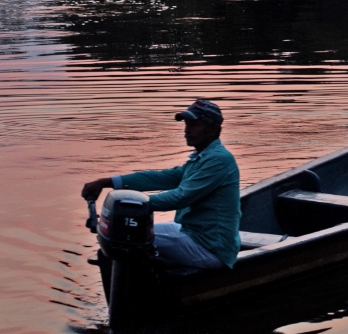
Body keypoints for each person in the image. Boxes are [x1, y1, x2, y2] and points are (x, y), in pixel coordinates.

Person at [82, 99, 241, 271]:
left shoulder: (218, 160)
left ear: (213, 130)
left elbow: (180, 197)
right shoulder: (201, 157)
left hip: (210, 247)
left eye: (194, 124)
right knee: (122, 234)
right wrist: (107, 182)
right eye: (187, 124)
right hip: (191, 232)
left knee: (129, 240)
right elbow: (161, 178)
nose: (187, 130)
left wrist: (130, 208)